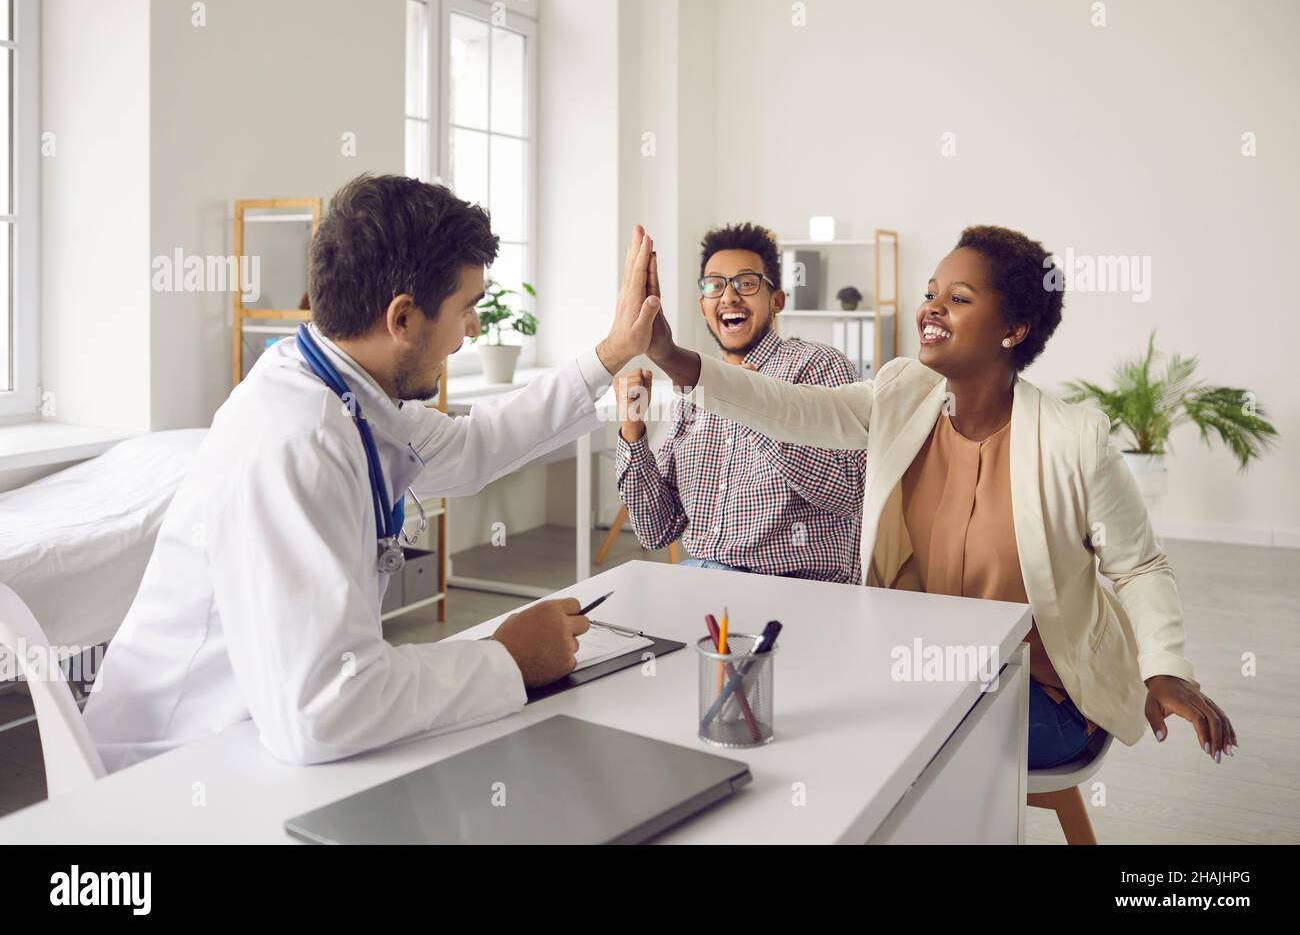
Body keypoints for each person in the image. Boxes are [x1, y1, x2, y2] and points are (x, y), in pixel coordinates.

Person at [84, 174, 661, 770]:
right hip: (170, 767)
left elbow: (474, 445)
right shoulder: (297, 439)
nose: (470, 334)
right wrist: (507, 656)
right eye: (465, 311)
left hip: (258, 735)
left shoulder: (341, 389)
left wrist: (612, 352)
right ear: (403, 319)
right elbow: (324, 707)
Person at [643, 224, 1237, 767]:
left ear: (1013, 329)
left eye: (958, 298)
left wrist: (1165, 670)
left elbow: (1140, 566)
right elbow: (792, 409)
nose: (931, 307)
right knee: (804, 712)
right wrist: (673, 357)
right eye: (932, 292)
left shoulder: (1073, 439)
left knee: (883, 743)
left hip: (1036, 688)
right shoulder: (903, 394)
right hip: (914, 671)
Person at [614, 223, 865, 582]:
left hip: (796, 586)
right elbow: (656, 530)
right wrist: (632, 430)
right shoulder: (693, 392)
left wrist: (749, 403)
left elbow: (848, 492)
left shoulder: (818, 365)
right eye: (715, 285)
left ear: (776, 300)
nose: (729, 297)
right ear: (704, 306)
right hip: (700, 581)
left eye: (746, 283)